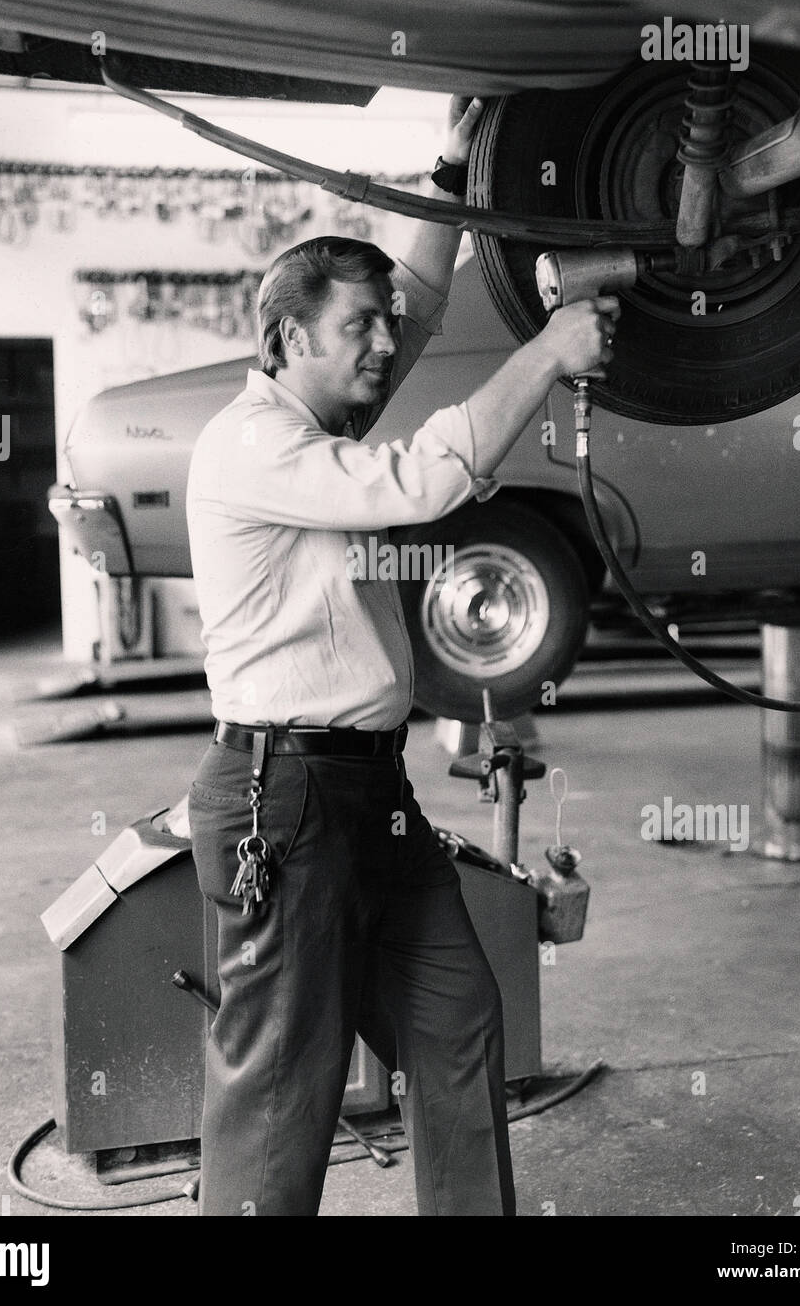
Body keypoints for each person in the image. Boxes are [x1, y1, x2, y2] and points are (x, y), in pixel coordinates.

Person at [186, 96, 619, 1216]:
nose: (384, 343)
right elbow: (423, 482)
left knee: (455, 1017)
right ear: (286, 341)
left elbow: (417, 307)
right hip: (279, 796)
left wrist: (444, 169)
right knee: (288, 1082)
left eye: (379, 324)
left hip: (370, 787)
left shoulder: (316, 420)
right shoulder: (251, 445)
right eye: (355, 331)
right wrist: (545, 350)